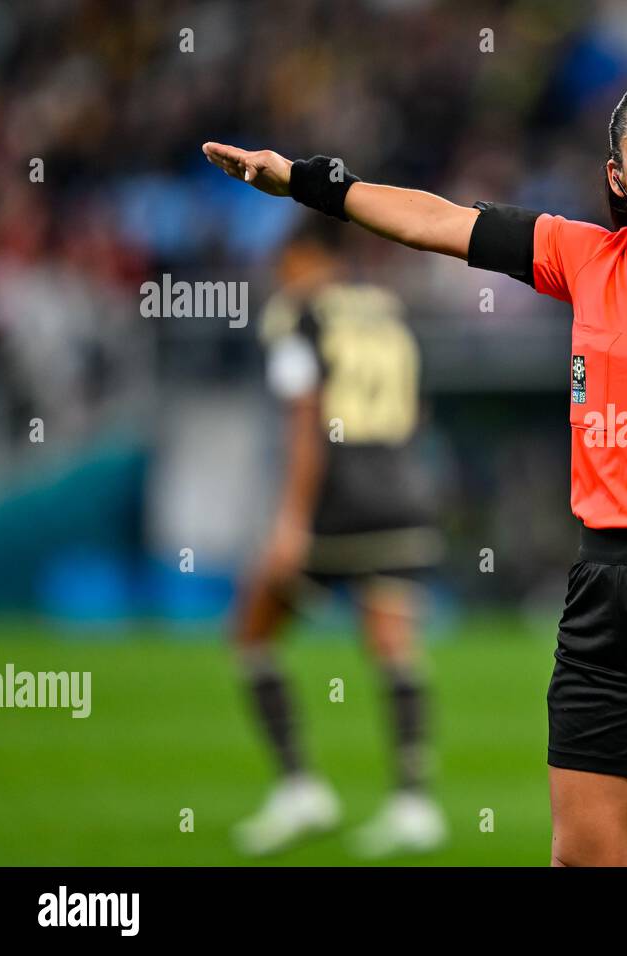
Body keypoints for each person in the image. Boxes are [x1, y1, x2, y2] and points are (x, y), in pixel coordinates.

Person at [204, 71, 627, 867]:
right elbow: (439, 221)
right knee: (580, 860)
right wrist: (306, 183)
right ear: (619, 176)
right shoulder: (583, 257)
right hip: (603, 594)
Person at [231, 215, 448, 857]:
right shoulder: (389, 309)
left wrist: (290, 520)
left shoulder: (297, 314)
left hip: (336, 501)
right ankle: (414, 804)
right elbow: (420, 406)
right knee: (395, 649)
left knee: (251, 634)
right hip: (404, 495)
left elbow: (304, 421)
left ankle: (300, 787)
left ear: (303, 256)